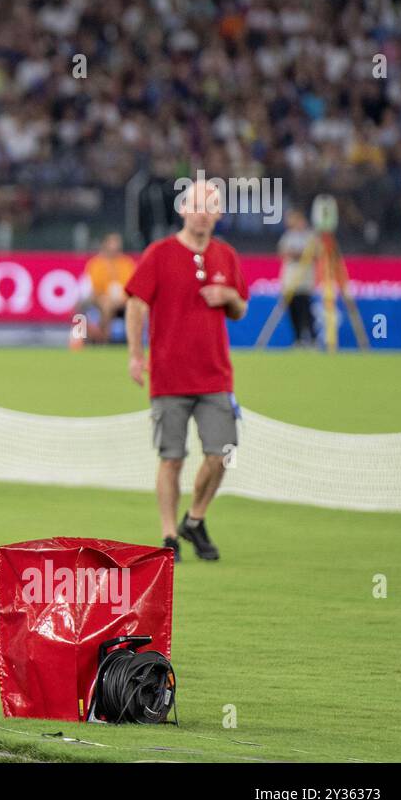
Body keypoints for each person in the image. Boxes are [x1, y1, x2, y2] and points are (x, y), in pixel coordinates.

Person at [124, 182, 248, 561]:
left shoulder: (226, 255)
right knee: (172, 458)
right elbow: (135, 304)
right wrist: (134, 355)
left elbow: (240, 308)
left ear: (219, 214)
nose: (203, 213)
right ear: (183, 210)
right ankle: (168, 536)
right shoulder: (160, 253)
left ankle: (194, 519)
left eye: (211, 206)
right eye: (196, 205)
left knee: (222, 452)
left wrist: (228, 297)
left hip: (214, 374)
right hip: (169, 377)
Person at [81, 232, 135, 344]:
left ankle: (137, 341)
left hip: (123, 299)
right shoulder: (96, 263)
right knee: (105, 305)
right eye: (112, 242)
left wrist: (123, 298)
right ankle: (101, 339)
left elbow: (132, 286)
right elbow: (91, 287)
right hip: (101, 297)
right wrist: (102, 296)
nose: (115, 246)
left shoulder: (126, 263)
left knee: (140, 306)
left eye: (117, 242)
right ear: (105, 244)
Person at [278, 208, 317, 346]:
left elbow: (314, 253)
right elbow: (283, 251)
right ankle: (298, 339)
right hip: (289, 281)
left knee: (306, 311)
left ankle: (312, 338)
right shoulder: (288, 236)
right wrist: (297, 254)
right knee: (292, 310)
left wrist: (298, 254)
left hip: (304, 282)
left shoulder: (310, 236)